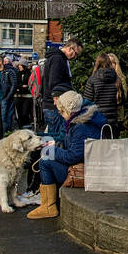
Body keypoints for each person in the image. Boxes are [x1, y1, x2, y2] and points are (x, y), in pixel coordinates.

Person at [27, 91, 109, 219]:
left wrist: (51, 150)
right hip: (89, 167)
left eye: (61, 111)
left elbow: (73, 156)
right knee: (47, 159)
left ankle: (48, 206)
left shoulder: (80, 127)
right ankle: (49, 203)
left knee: (45, 162)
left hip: (86, 172)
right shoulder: (84, 120)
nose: (60, 113)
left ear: (69, 110)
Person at [40, 39, 81, 140]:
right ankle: (54, 155)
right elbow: (54, 83)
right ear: (70, 48)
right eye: (75, 54)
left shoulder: (57, 58)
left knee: (52, 137)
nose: (75, 57)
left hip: (53, 104)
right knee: (57, 138)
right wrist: (58, 102)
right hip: (55, 106)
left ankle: (52, 154)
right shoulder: (58, 59)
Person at [83, 52, 125, 129]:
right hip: (113, 119)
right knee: (112, 140)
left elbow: (87, 101)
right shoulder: (117, 78)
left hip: (97, 119)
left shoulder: (92, 79)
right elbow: (121, 100)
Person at [0, 55, 17, 131]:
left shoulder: (9, 72)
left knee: (4, 118)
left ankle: (5, 135)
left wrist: (8, 97)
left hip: (5, 98)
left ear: (0, 62)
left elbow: (14, 85)